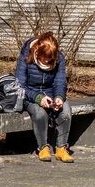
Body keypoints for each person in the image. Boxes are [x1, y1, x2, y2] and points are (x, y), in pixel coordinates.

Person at [14, 32, 74, 163]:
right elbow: (19, 85)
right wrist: (38, 98)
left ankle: (61, 148)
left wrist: (59, 97)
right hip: (29, 96)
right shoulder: (26, 56)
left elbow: (60, 81)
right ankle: (42, 147)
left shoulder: (59, 58)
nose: (47, 61)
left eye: (50, 58)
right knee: (40, 113)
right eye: (44, 57)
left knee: (66, 111)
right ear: (37, 51)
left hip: (51, 94)